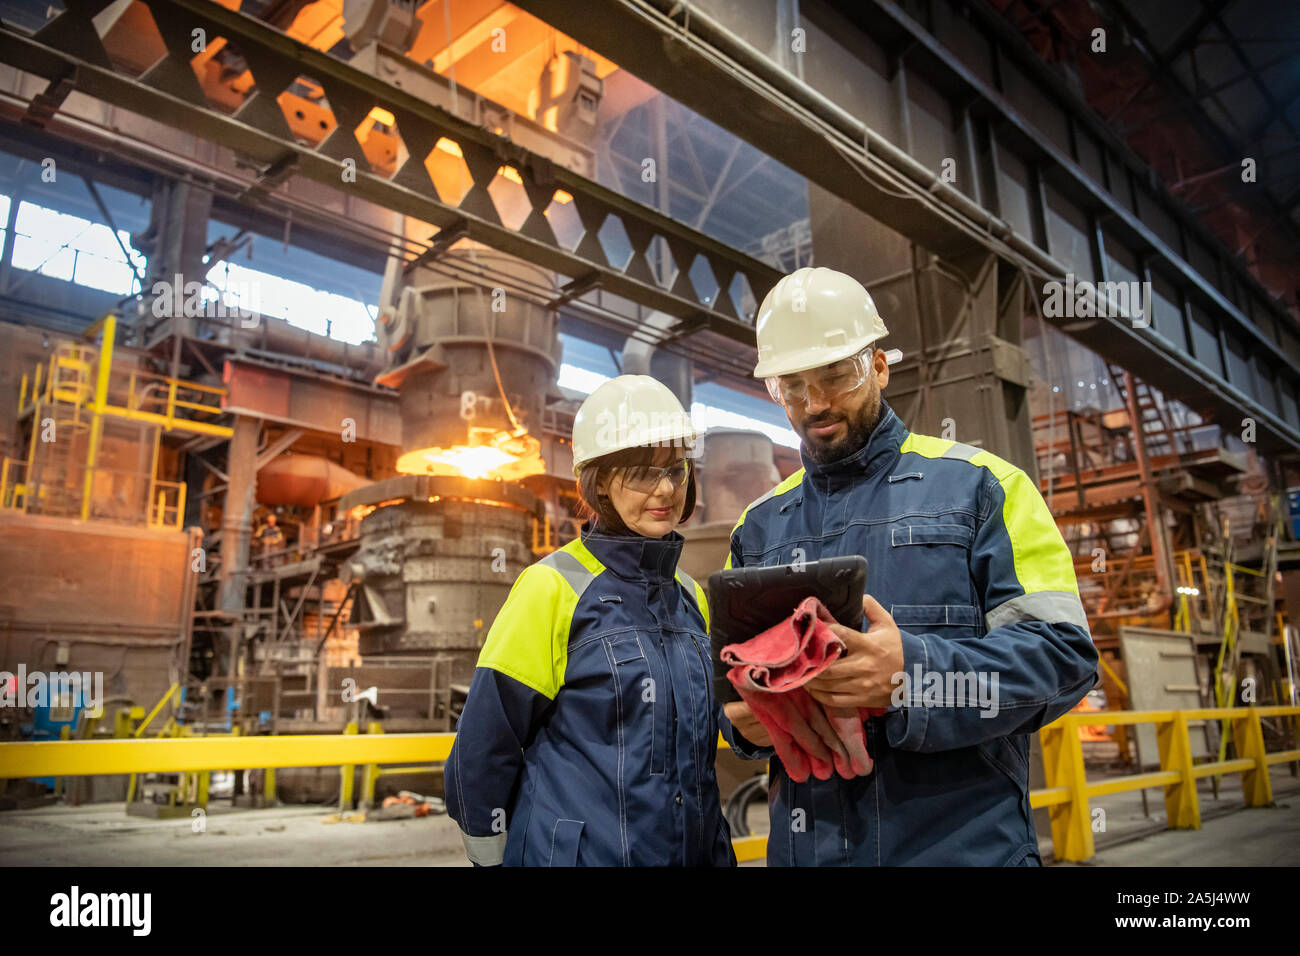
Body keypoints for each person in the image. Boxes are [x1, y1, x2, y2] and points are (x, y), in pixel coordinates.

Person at [719, 266, 1098, 866]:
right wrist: (744, 721)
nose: (814, 403)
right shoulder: (759, 526)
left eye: (836, 375)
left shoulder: (984, 487)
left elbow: (1063, 658)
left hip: (961, 851)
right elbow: (736, 691)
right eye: (791, 386)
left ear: (879, 366)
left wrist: (913, 678)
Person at [445, 374, 736, 866]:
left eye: (676, 470)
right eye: (644, 473)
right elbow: (481, 750)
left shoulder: (690, 598)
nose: (666, 488)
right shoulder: (552, 588)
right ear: (599, 480)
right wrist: (491, 858)